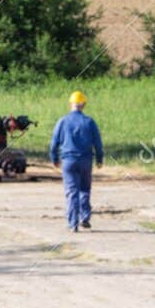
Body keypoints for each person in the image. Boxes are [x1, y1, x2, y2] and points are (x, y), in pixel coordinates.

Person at [49, 90, 104, 233]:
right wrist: (99, 158)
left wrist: (54, 158)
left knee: (72, 191)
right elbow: (97, 142)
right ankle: (84, 218)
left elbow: (54, 142)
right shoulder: (90, 122)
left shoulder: (62, 121)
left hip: (68, 161)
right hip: (85, 160)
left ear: (71, 104)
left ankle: (73, 224)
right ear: (83, 105)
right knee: (85, 189)